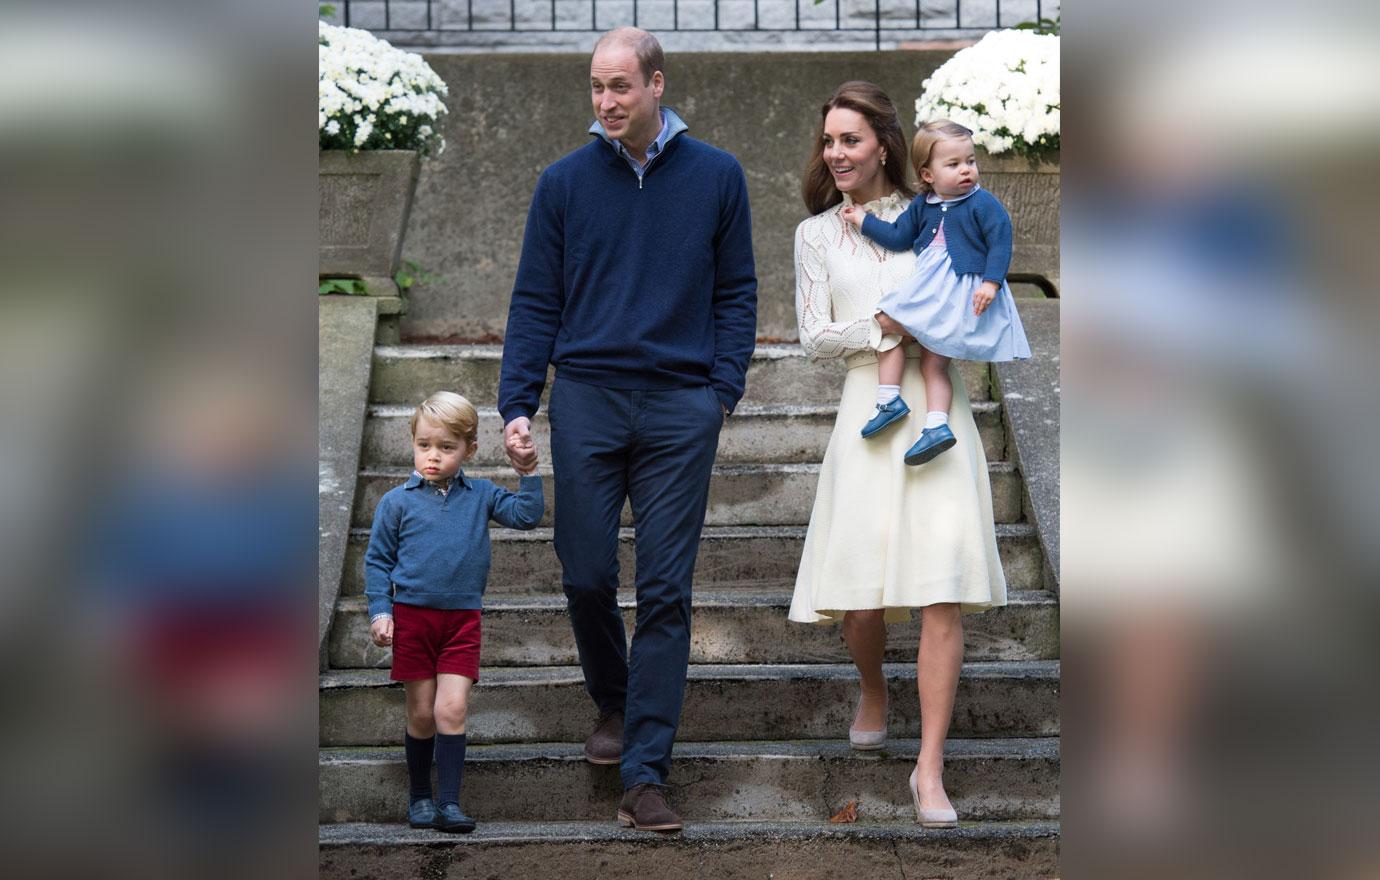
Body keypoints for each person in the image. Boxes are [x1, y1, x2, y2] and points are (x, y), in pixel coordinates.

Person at [497, 27, 757, 833]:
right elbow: (535, 298)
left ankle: (645, 772)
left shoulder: (717, 175)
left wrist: (721, 392)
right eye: (596, 86)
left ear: (656, 85)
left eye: (619, 86)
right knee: (584, 572)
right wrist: (516, 402)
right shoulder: (563, 183)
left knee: (668, 590)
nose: (605, 101)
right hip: (588, 397)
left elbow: (737, 291)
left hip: (682, 406)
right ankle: (614, 698)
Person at [787, 82, 1008, 828]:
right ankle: (874, 686)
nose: (836, 153)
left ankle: (930, 766)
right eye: (828, 142)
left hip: (937, 406)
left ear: (883, 145)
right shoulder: (816, 235)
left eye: (849, 140)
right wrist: (887, 326)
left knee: (941, 587)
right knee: (859, 595)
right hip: (867, 405)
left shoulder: (943, 210)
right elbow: (814, 335)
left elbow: (981, 292)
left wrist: (944, 322)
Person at [363, 391, 543, 833]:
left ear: (469, 450)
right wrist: (380, 611)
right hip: (413, 619)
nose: (433, 456)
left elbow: (526, 516)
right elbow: (378, 562)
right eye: (424, 445)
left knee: (453, 709)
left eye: (446, 447)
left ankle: (449, 802)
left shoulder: (480, 494)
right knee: (423, 713)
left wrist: (528, 472)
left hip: (462, 621)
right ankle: (420, 796)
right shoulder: (396, 502)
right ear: (412, 443)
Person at [840, 119, 1030, 465]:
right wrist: (864, 220)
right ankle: (935, 424)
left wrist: (991, 282)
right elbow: (898, 236)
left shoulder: (982, 203)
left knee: (886, 322)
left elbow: (1000, 240)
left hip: (957, 292)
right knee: (930, 361)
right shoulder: (923, 205)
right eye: (953, 164)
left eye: (970, 161)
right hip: (932, 291)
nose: (966, 170)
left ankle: (889, 400)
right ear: (927, 174)